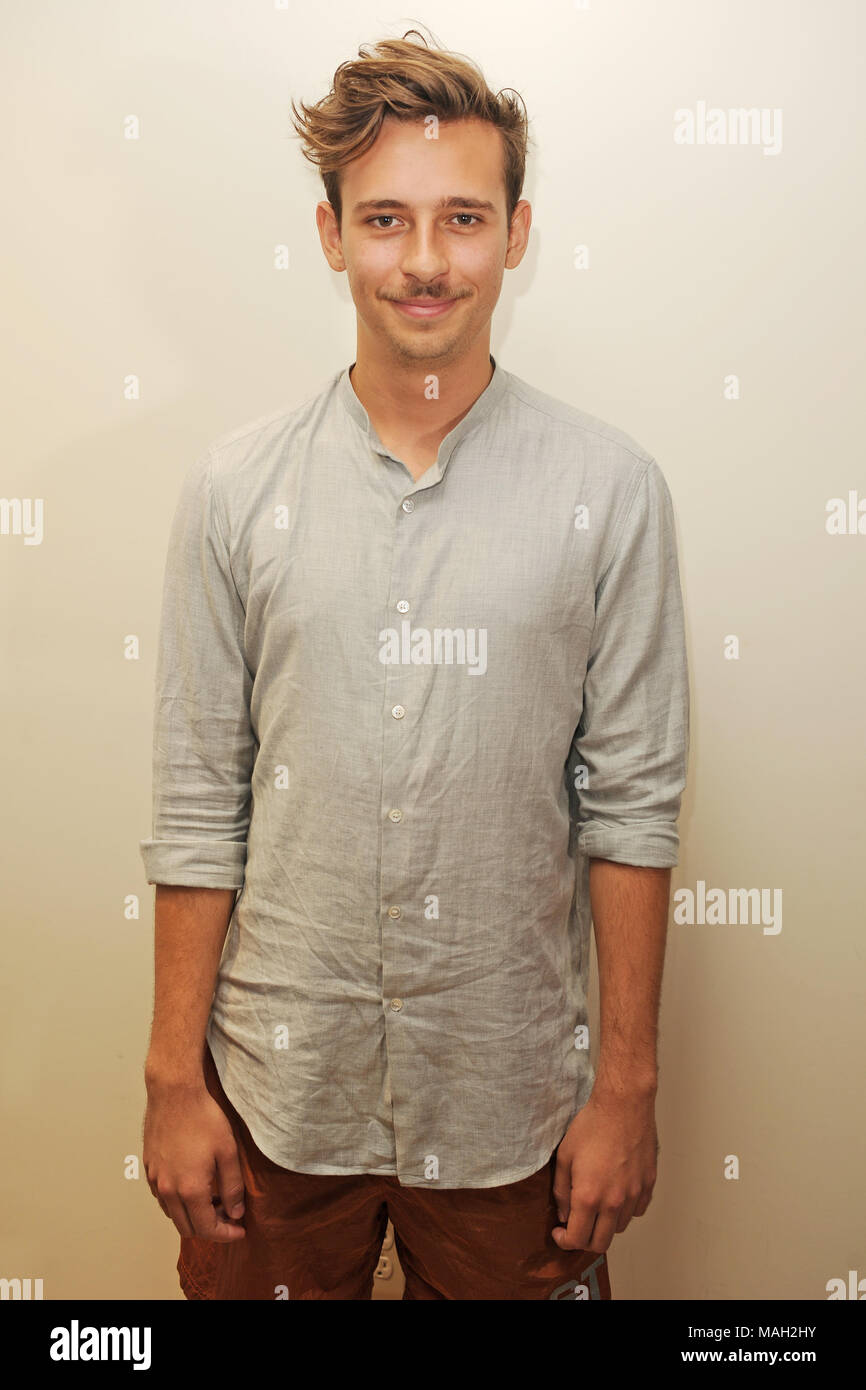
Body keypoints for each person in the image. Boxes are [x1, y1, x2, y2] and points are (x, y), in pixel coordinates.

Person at [140, 28, 689, 1302]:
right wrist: (174, 1077)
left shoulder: (608, 492)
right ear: (330, 235)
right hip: (276, 1101)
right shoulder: (232, 490)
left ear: (517, 231)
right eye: (385, 219)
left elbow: (634, 808)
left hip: (514, 1112)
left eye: (462, 219)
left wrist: (625, 1088)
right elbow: (193, 800)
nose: (426, 262)